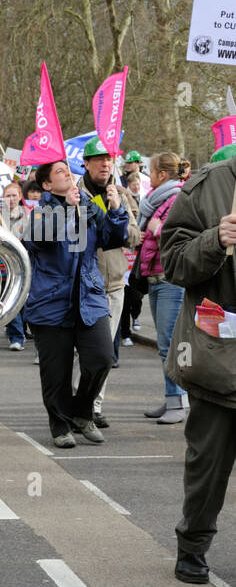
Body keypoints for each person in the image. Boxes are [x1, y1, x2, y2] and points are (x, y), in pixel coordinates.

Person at [158, 152, 236, 584]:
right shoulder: (209, 185)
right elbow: (172, 262)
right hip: (218, 354)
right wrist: (215, 238)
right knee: (207, 465)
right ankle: (192, 546)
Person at [22, 158, 128, 448]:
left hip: (89, 297)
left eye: (68, 170)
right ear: (47, 184)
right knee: (56, 374)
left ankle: (82, 413)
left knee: (102, 358)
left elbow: (114, 238)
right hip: (51, 301)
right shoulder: (40, 212)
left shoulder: (89, 205)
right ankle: (60, 425)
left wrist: (117, 209)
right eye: (60, 172)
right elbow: (39, 241)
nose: (68, 174)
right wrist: (67, 208)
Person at [80, 138, 141, 428]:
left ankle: (94, 405)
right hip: (81, 286)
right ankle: (76, 403)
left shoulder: (121, 194)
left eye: (109, 159)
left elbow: (134, 237)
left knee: (104, 352)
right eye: (99, 159)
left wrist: (116, 209)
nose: (105, 164)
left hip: (114, 285)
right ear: (87, 163)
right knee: (80, 352)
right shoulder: (74, 194)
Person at [136, 152, 188, 424]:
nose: (148, 174)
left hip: (169, 280)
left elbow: (180, 232)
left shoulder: (177, 198)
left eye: (151, 170)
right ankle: (171, 398)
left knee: (169, 344)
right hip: (156, 278)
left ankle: (178, 401)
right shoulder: (159, 200)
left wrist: (157, 230)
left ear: (162, 175)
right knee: (164, 344)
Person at [0, 181, 29, 350]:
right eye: (7, 195)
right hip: (5, 265)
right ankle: (16, 337)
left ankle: (22, 330)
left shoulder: (28, 215)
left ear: (20, 197)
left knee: (24, 301)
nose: (10, 199)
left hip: (25, 264)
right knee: (10, 301)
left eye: (14, 195)